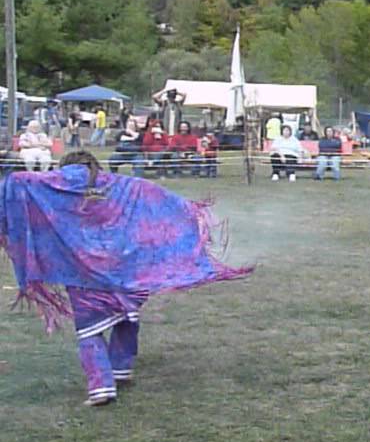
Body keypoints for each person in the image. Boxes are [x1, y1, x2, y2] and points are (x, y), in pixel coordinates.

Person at [1, 151, 251, 405]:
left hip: (83, 270)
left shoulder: (54, 184)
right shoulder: (122, 185)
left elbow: (18, 181)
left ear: (66, 166)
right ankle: (121, 368)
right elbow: (160, 198)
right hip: (125, 265)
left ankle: (101, 386)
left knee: (89, 331)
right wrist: (189, 211)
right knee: (126, 317)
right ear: (94, 164)